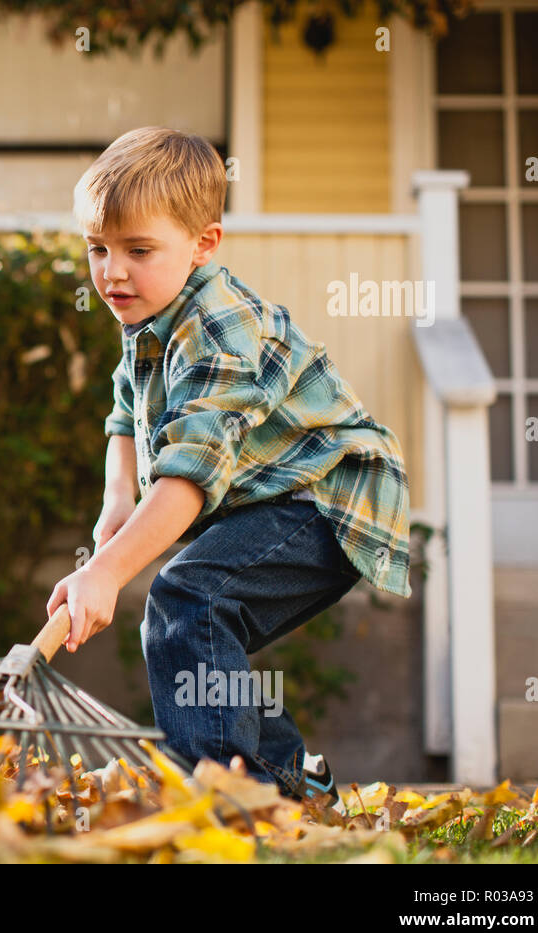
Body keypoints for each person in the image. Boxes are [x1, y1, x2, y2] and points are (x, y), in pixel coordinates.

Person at [45, 126, 412, 811]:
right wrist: (116, 502)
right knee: (203, 628)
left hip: (327, 497)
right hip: (274, 500)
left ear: (204, 244)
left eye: (138, 250)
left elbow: (187, 477)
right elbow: (126, 412)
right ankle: (293, 776)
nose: (112, 272)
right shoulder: (149, 309)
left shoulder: (218, 330)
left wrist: (107, 573)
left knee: (190, 599)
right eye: (97, 248)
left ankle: (220, 801)